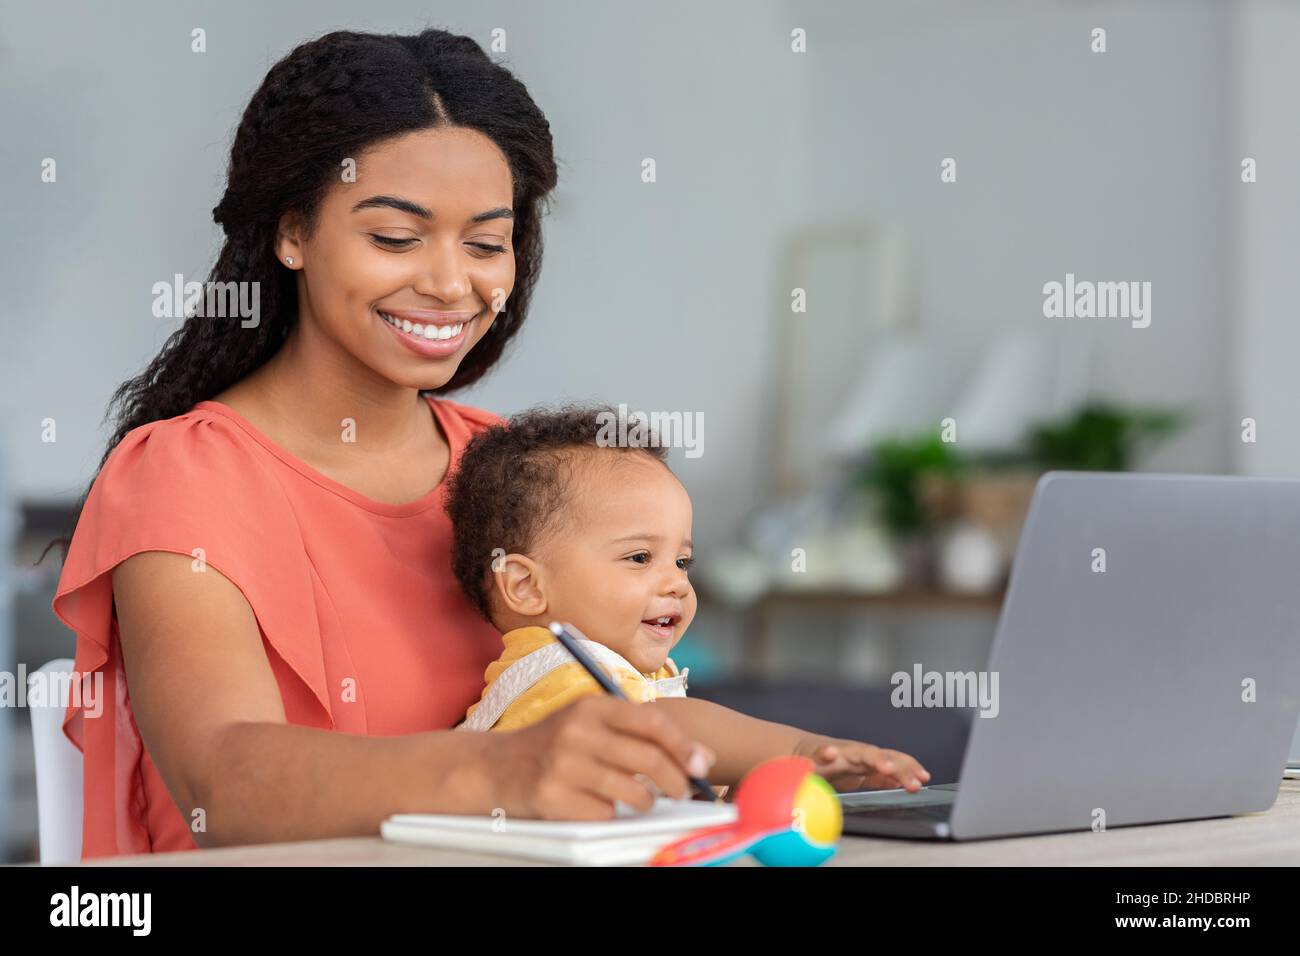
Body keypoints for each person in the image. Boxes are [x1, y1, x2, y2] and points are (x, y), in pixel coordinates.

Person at [40, 27, 716, 858]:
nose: (447, 283)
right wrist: (499, 772)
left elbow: (637, 694)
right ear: (293, 233)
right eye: (396, 237)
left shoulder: (515, 475)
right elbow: (224, 779)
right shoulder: (186, 473)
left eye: (485, 243)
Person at [447, 405, 931, 798]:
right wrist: (803, 748)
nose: (676, 584)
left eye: (682, 562)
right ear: (526, 586)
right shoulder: (558, 674)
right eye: (640, 557)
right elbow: (663, 725)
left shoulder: (626, 673)